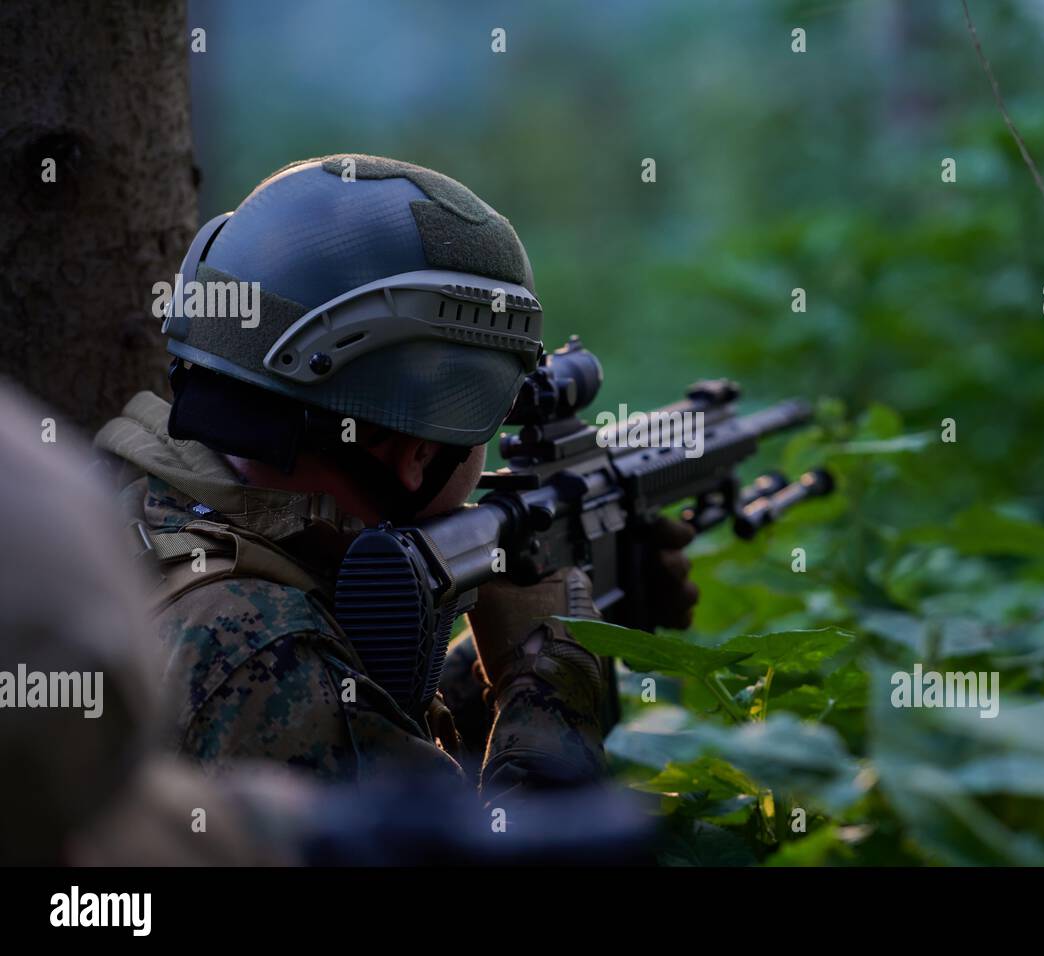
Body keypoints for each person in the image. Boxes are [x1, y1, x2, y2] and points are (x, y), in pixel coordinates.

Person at [91, 154, 697, 802]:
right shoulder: (269, 653)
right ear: (415, 454)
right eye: (482, 429)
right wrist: (553, 674)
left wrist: (502, 649)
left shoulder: (141, 519)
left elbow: (369, 728)